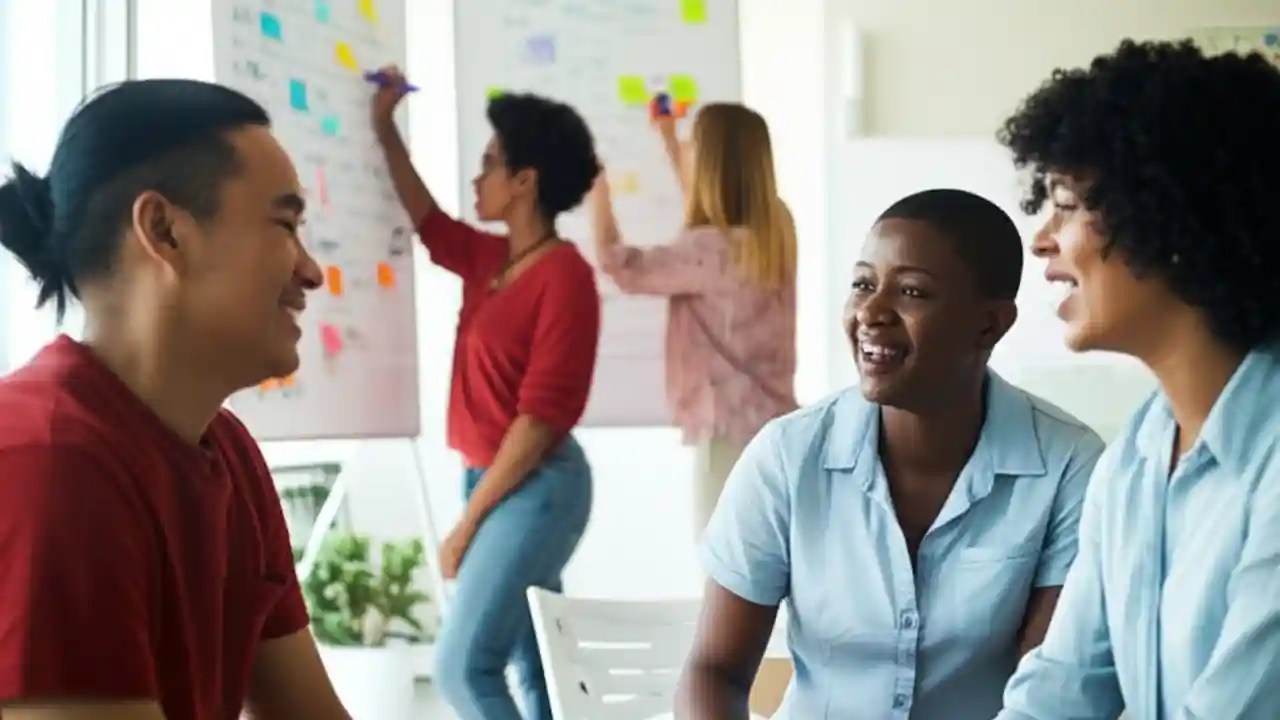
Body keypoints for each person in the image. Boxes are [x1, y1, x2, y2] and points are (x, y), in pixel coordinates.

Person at [676, 189, 1107, 720]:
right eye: (862, 285)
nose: (871, 312)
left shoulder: (1069, 465)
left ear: (990, 324)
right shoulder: (787, 456)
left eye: (912, 292)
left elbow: (1050, 692)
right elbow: (715, 669)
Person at [0, 80, 351, 719]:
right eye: (285, 224)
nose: (311, 271)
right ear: (163, 231)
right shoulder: (48, 464)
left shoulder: (229, 453)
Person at [994, 39, 1280, 720]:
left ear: (1169, 218)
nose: (1040, 238)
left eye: (1064, 203)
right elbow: (1059, 693)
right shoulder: (1133, 460)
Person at [370, 67, 602, 720]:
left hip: (538, 486)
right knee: (538, 674)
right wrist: (383, 129)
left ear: (525, 181)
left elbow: (539, 419)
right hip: (490, 480)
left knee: (462, 668)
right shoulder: (489, 261)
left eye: (490, 163)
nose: (478, 177)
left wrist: (466, 527)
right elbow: (429, 222)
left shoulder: (566, 279)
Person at [589, 102, 798, 534]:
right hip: (774, 425)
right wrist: (668, 140)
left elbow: (619, 265)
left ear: (706, 166)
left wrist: (597, 189)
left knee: (721, 569)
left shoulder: (709, 250)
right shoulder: (775, 230)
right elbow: (711, 218)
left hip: (725, 433)